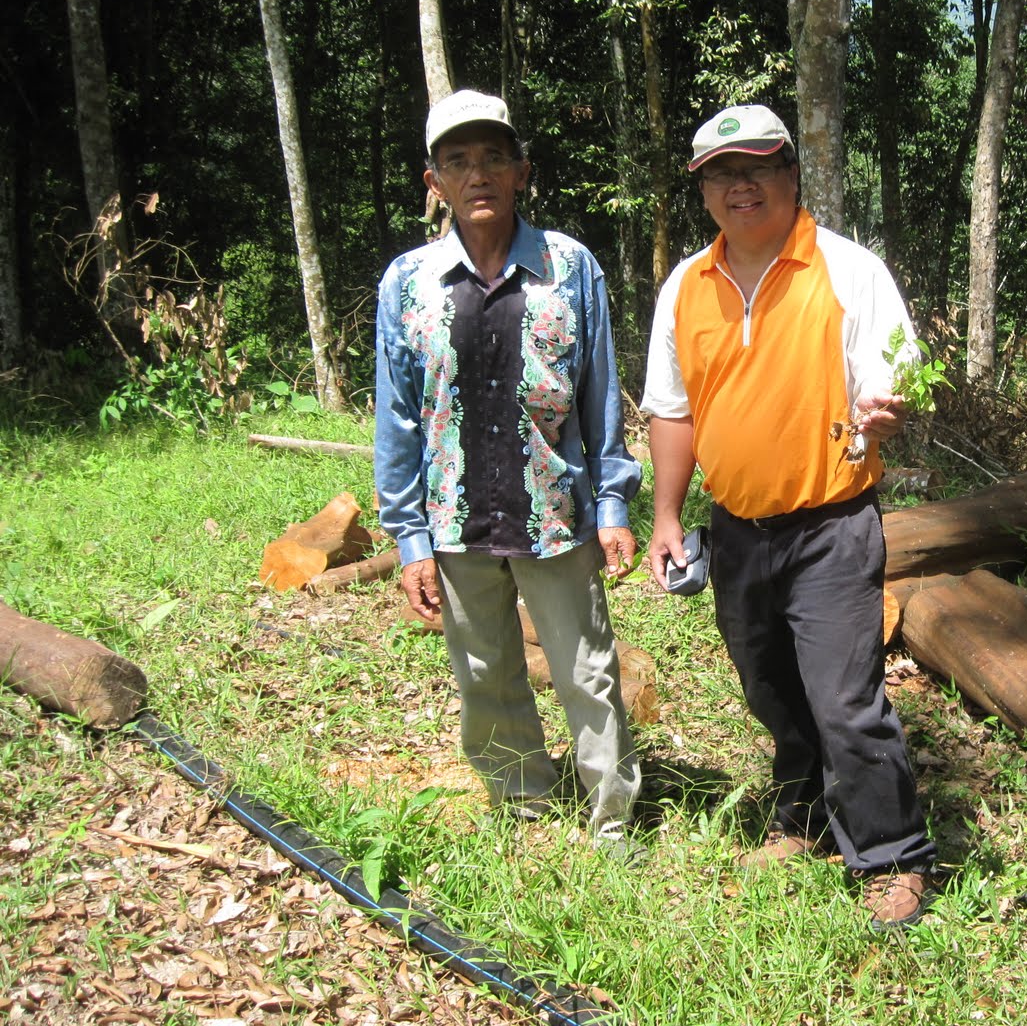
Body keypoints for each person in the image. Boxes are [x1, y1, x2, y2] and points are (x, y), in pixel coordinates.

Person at [640, 103, 937, 929]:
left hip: (831, 526)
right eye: (723, 172)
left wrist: (890, 409)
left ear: (790, 173)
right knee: (770, 688)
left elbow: (899, 380)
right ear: (702, 190)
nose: (743, 185)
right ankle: (804, 818)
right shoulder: (686, 287)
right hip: (736, 529)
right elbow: (672, 411)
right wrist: (667, 516)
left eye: (759, 167)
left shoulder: (847, 270)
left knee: (845, 699)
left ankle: (893, 855)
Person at [374, 89, 643, 851]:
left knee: (587, 673)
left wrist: (616, 507)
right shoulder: (408, 283)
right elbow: (396, 419)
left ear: (522, 170)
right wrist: (409, 541)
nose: (478, 174)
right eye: (457, 161)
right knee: (486, 676)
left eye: (494, 157)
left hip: (554, 512)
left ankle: (610, 821)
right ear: (435, 184)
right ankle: (522, 801)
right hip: (454, 521)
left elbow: (600, 393)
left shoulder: (569, 266)